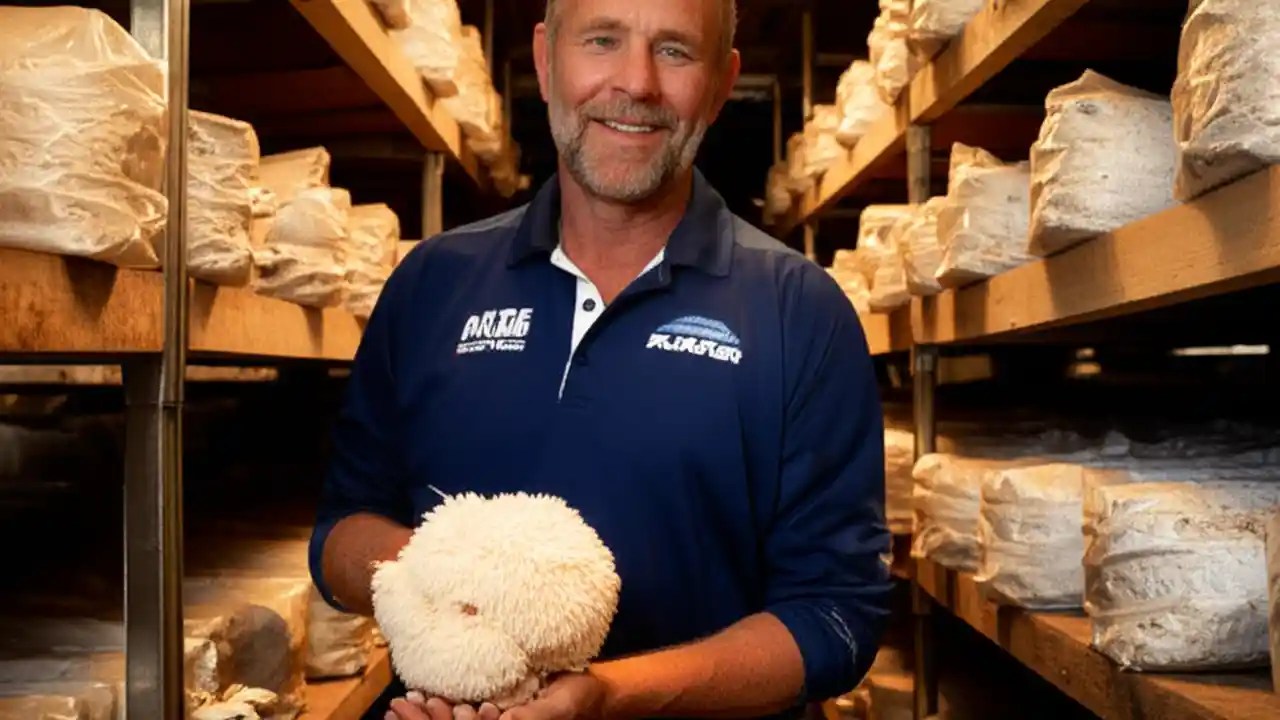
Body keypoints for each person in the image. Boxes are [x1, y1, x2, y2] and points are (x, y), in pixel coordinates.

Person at [308, 0, 892, 718]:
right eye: (602, 40)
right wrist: (451, 579)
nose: (636, 82)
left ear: (720, 82)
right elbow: (341, 531)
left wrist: (612, 695)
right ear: (547, 60)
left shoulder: (801, 312)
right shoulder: (432, 286)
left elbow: (837, 617)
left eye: (675, 51)